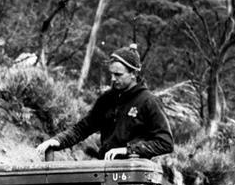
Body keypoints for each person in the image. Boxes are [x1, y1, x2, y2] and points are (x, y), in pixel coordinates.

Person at [36, 44, 173, 160]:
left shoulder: (148, 101)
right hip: (105, 169)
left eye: (118, 75)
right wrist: (57, 140)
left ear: (133, 74)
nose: (113, 79)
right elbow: (83, 128)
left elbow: (165, 142)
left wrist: (128, 150)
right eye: (111, 74)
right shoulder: (107, 99)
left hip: (134, 172)